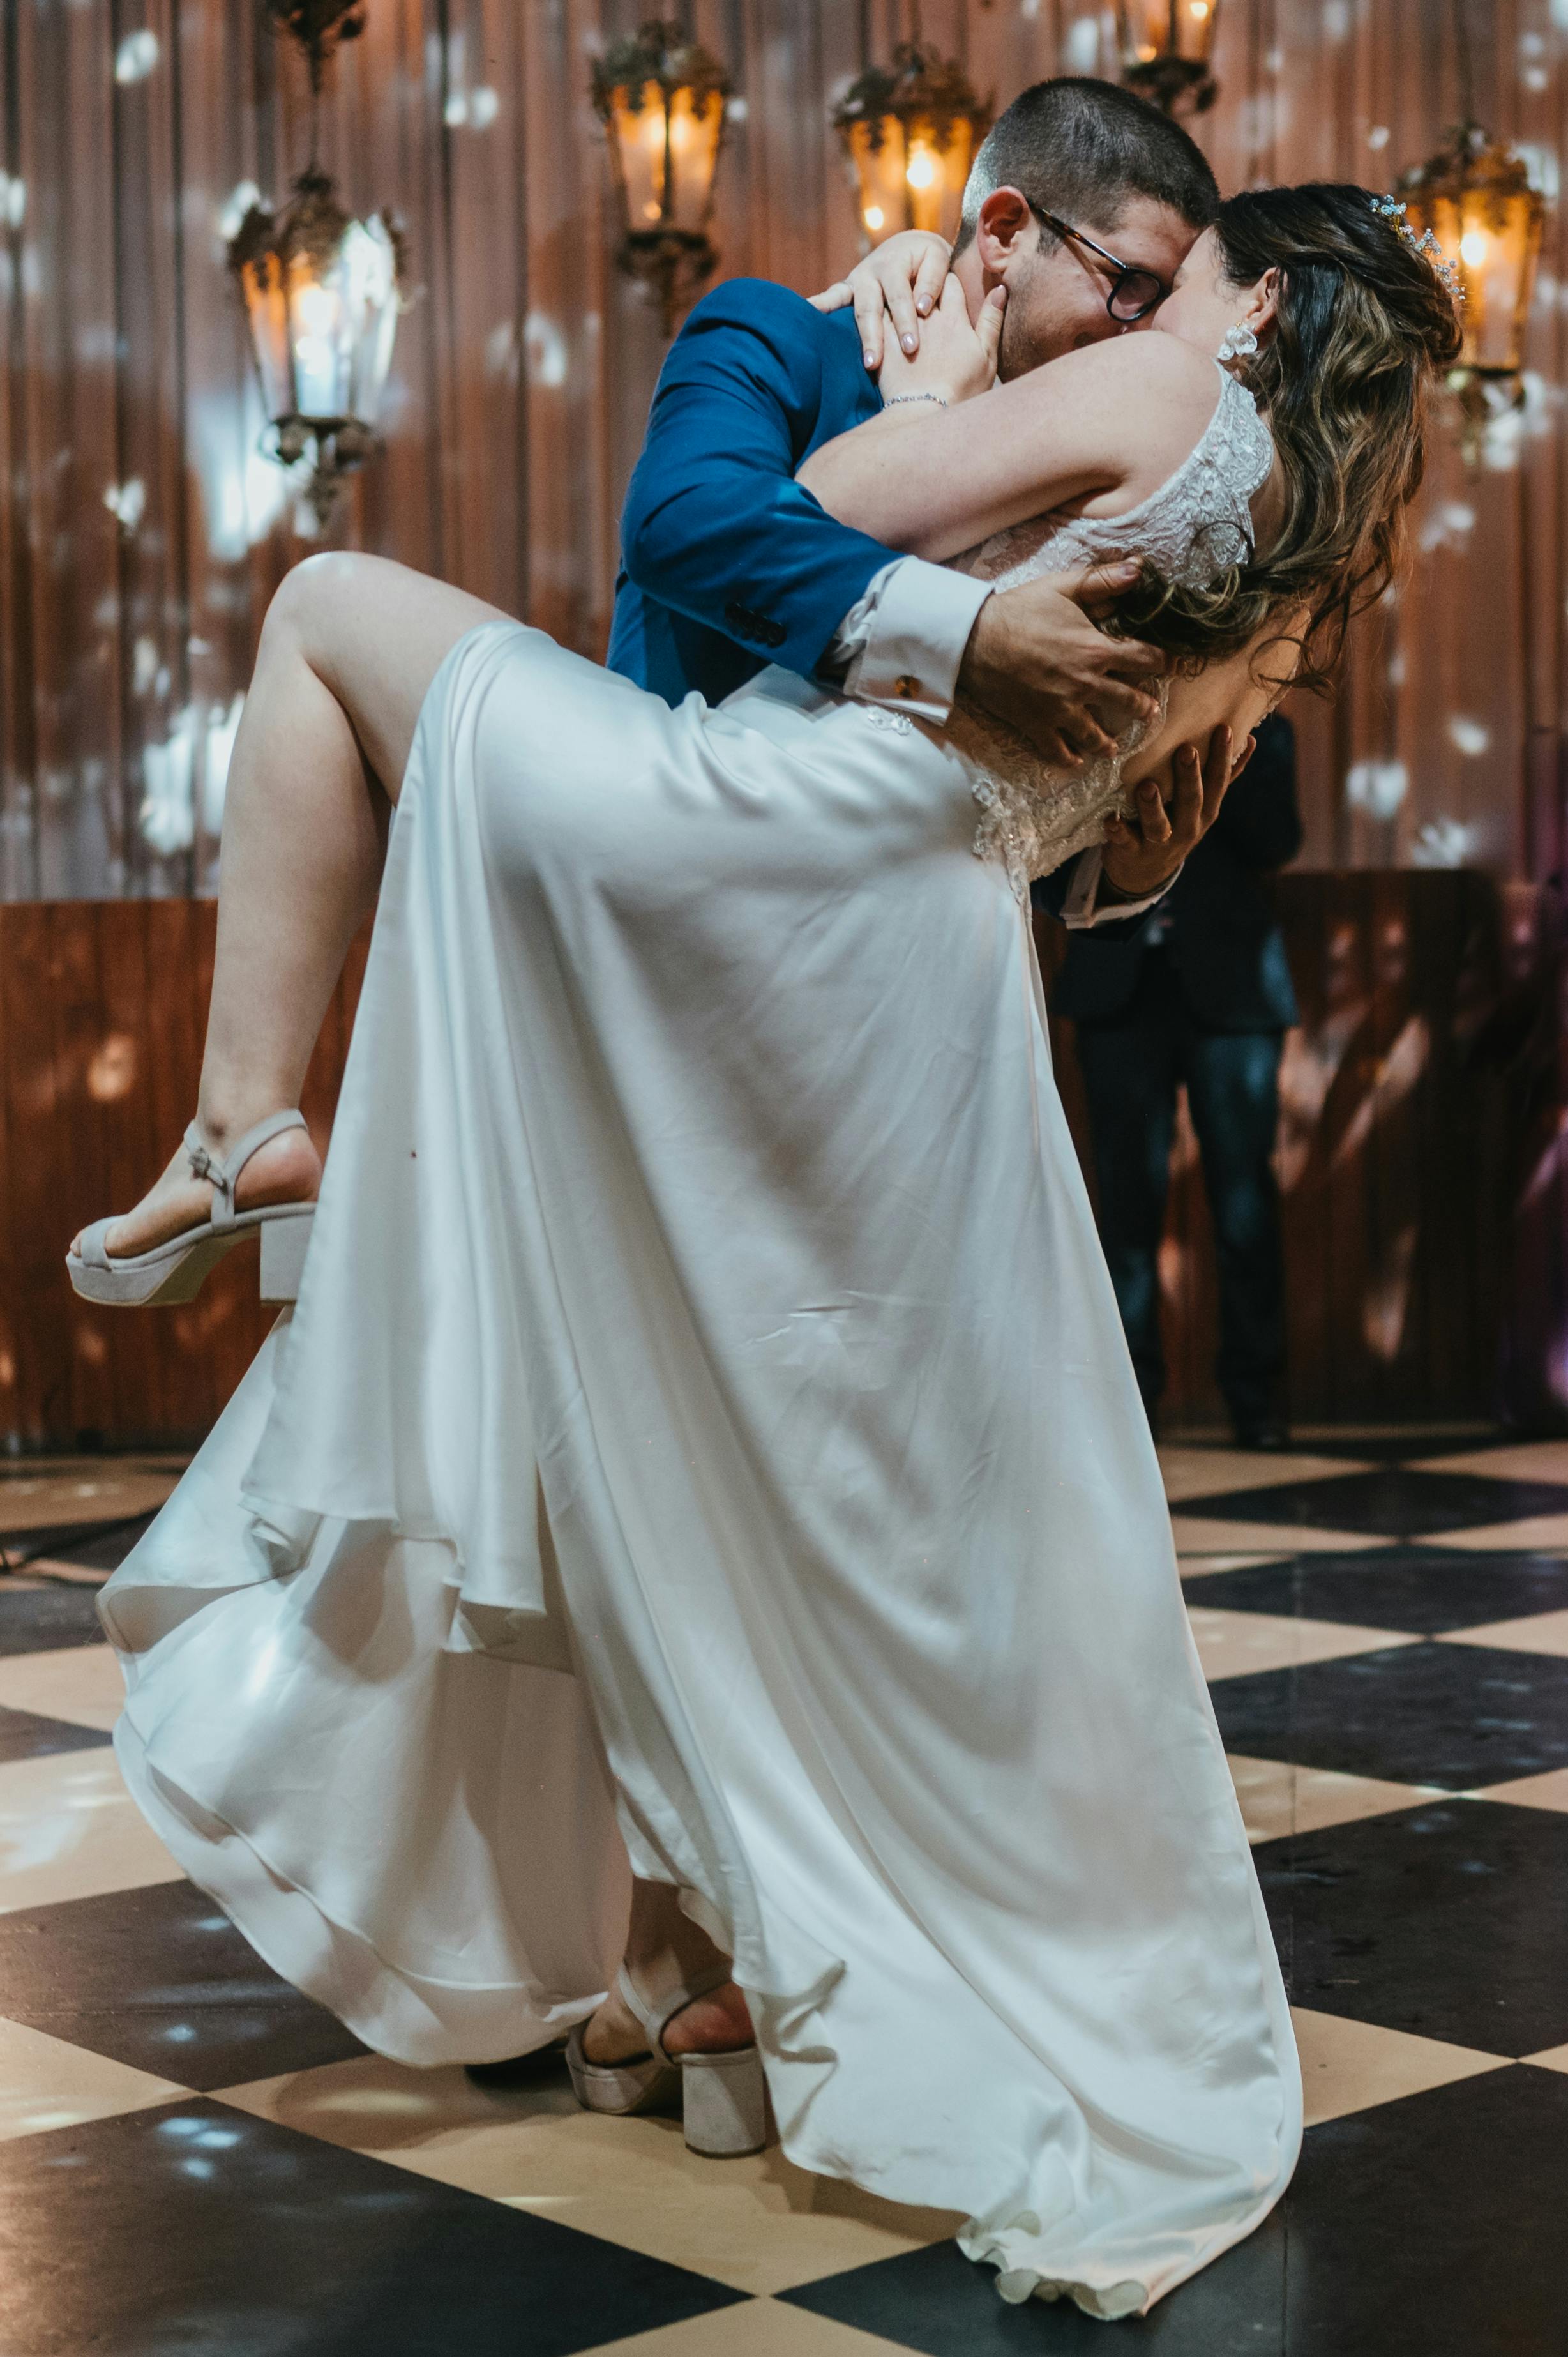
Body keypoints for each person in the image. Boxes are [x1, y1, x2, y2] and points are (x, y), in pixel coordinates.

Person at [68, 167, 1460, 2319]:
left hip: (778, 850)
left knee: (333, 598)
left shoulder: (1156, 388)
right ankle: (705, 1972)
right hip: (918, 938)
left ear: (1250, 296)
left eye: (1178, 283)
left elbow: (810, 504)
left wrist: (905, 384)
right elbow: (1126, 826)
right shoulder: (1278, 562)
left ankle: (251, 1128)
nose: (1144, 308)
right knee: (782, 1451)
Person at [1053, 711, 1303, 1445]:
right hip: (1116, 987)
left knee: (1243, 1205)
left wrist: (1210, 761)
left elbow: (1279, 842)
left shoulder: (1266, 722)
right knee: (1124, 1210)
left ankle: (1255, 1402)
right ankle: (1129, 1412)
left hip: (1230, 986)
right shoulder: (1102, 713)